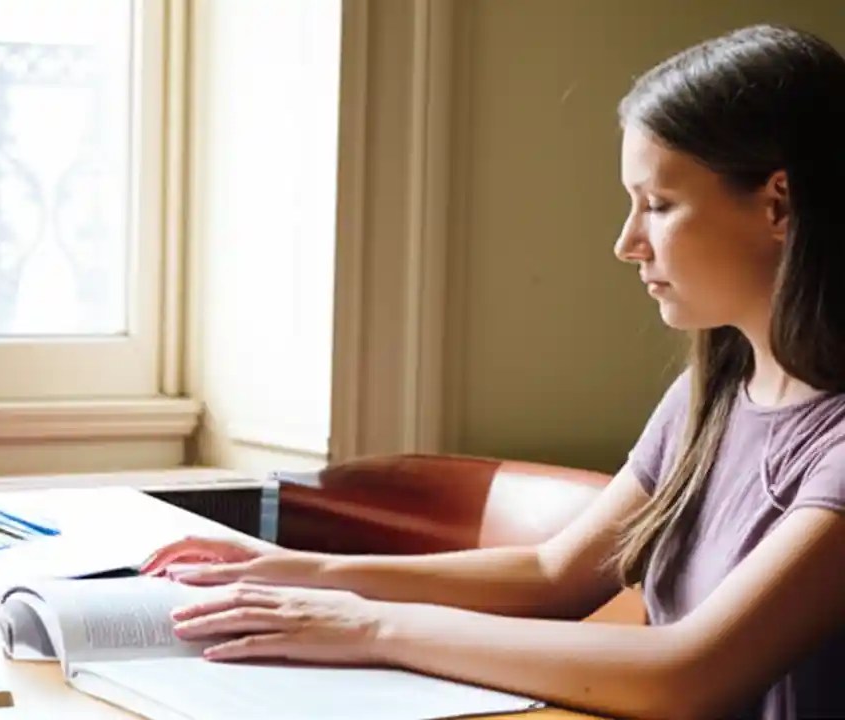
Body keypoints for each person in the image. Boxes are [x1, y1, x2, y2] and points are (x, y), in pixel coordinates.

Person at [140, 24, 845, 720]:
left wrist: (368, 626)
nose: (627, 243)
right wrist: (286, 570)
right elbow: (552, 575)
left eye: (658, 206)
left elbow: (685, 673)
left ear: (777, 204)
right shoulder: (712, 394)